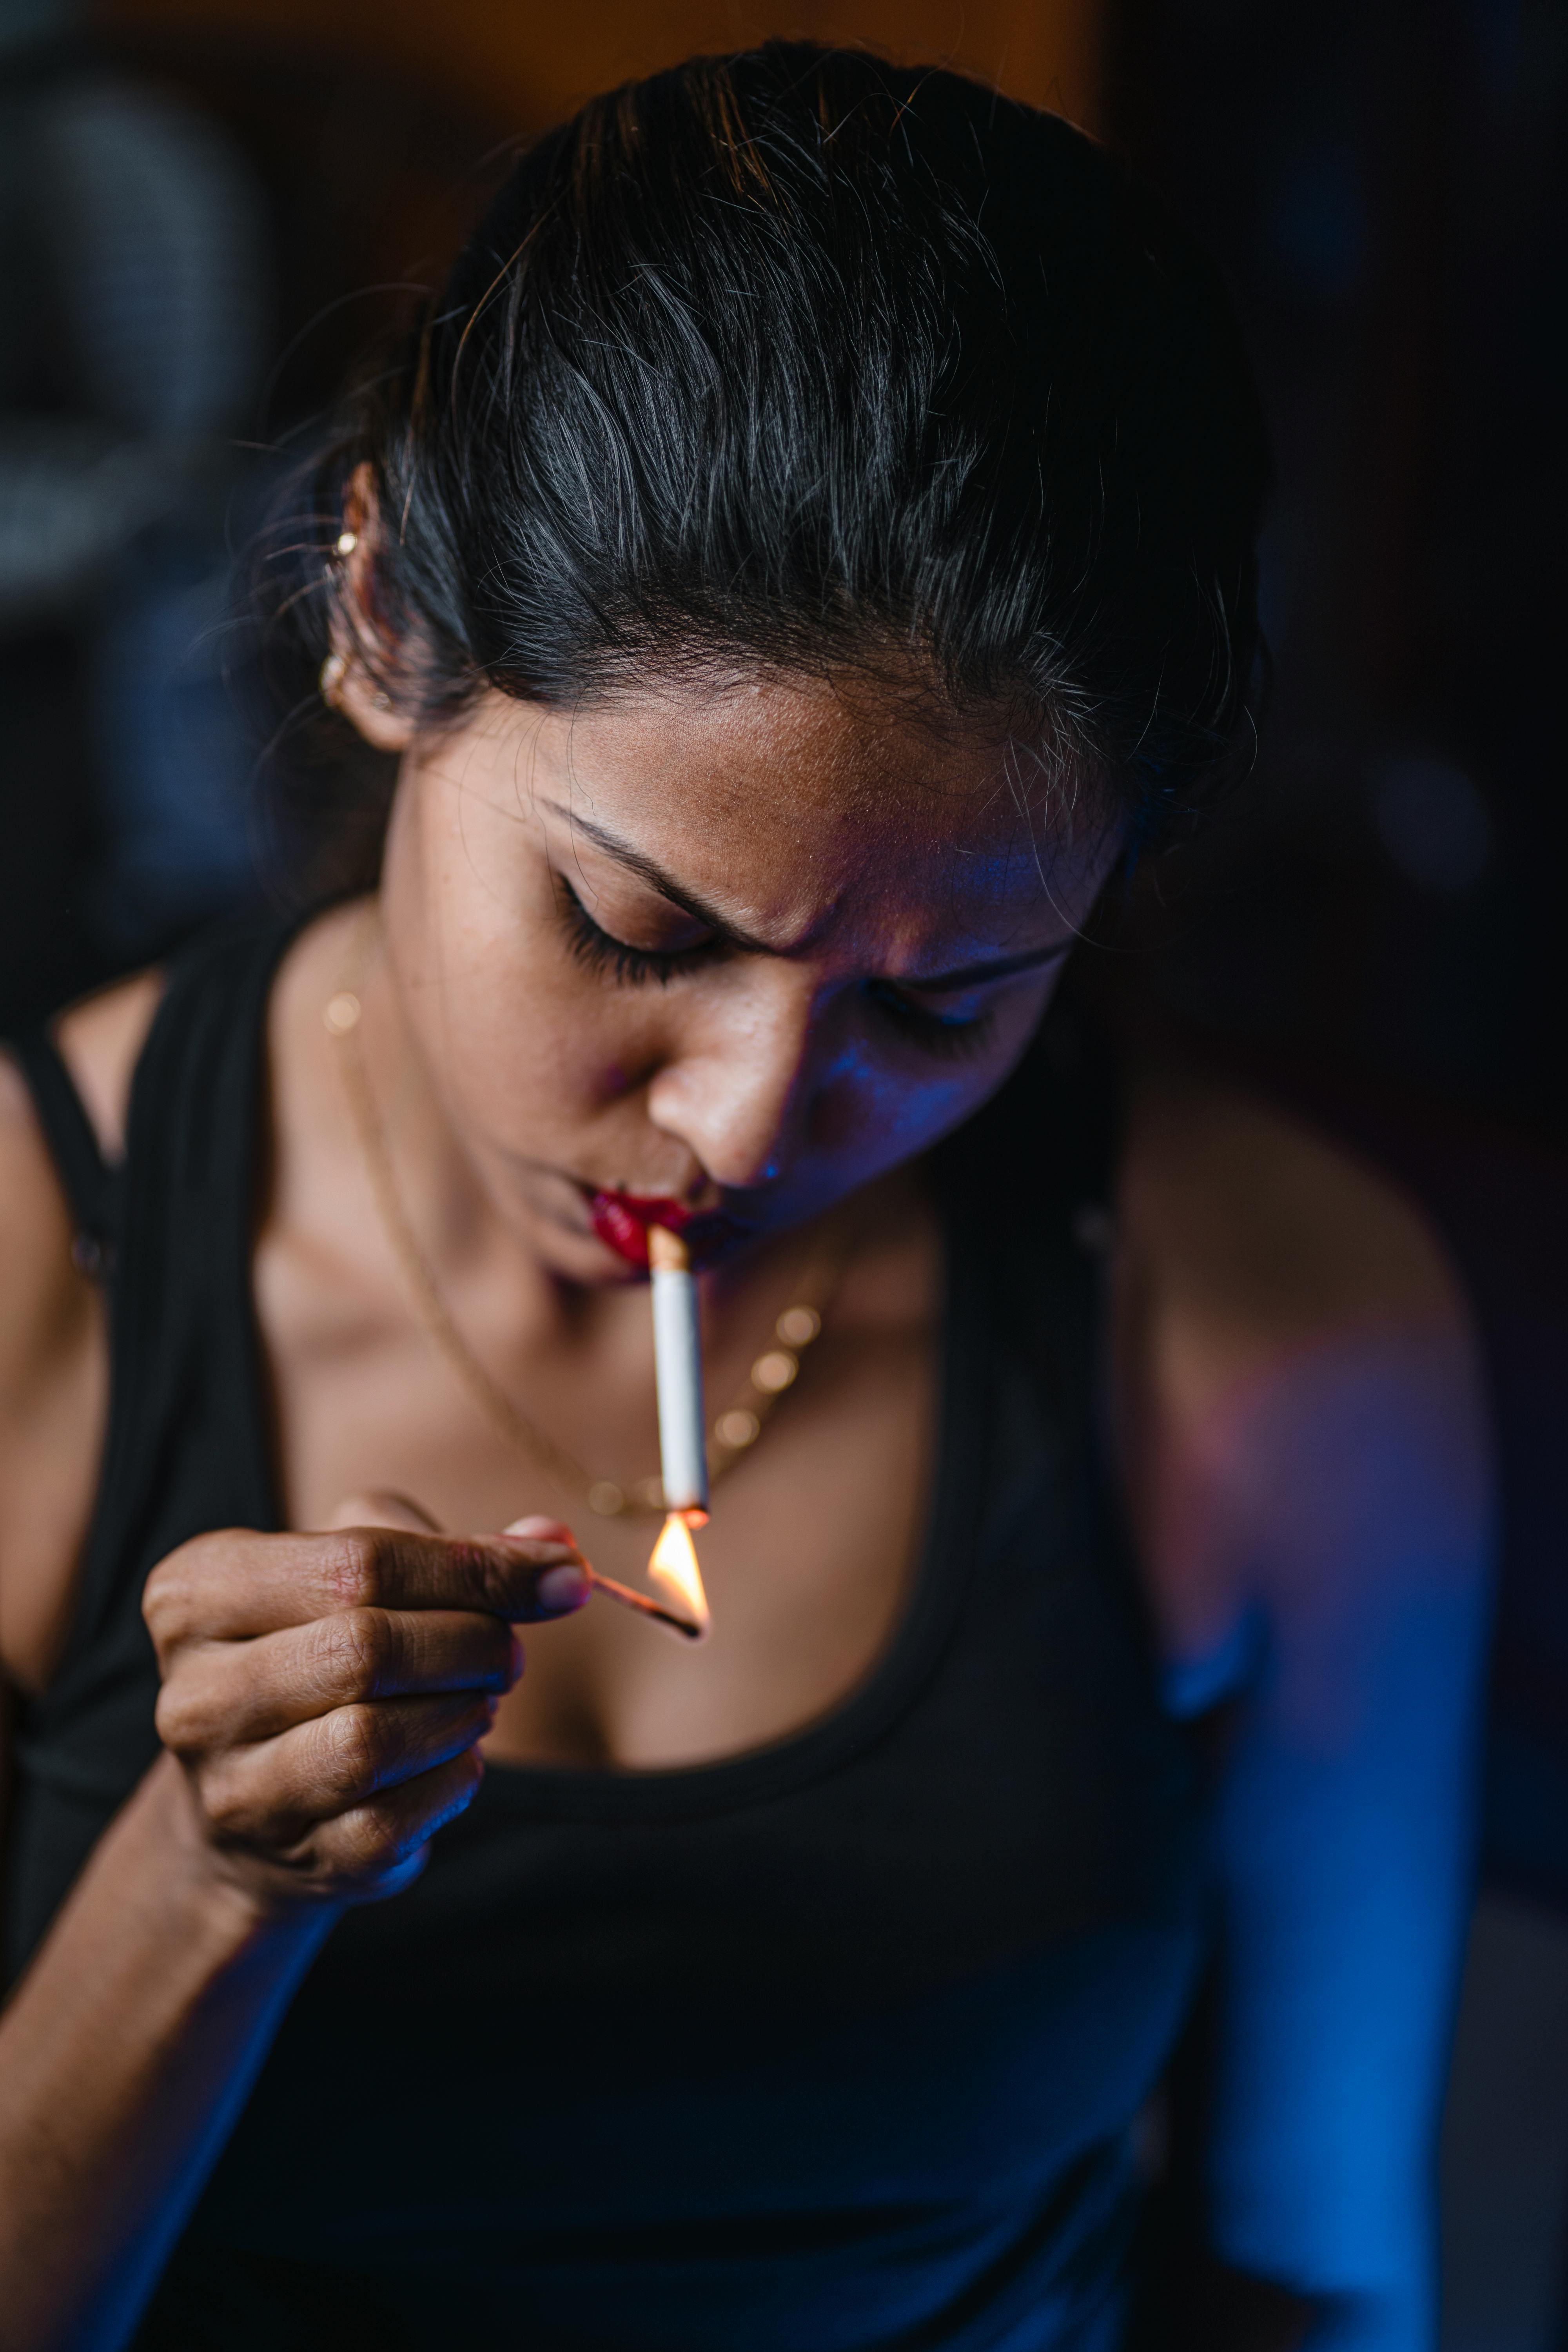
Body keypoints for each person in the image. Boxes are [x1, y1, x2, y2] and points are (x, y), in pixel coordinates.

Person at [0, 44, 1492, 2352]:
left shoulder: (1281, 1338)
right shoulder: (30, 1250)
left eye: (948, 1005)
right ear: (383, 620)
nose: (743, 1127)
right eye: (642, 935)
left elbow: (1312, 2271)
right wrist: (200, 1879)